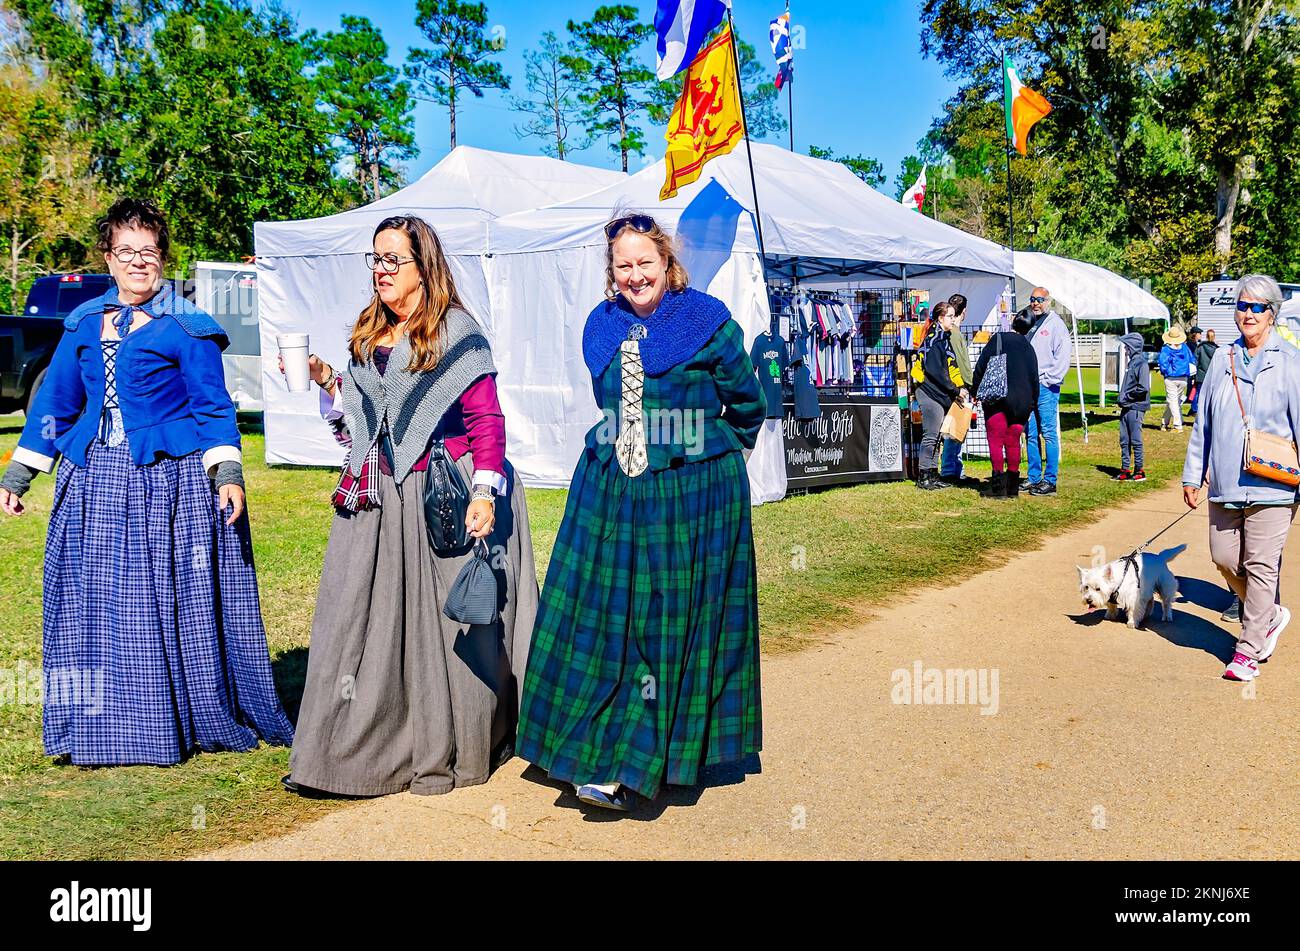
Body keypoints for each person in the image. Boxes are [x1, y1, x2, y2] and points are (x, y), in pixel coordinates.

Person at [0, 197, 293, 765]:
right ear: (107, 258)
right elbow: (56, 404)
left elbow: (212, 407)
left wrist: (228, 473)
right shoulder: (83, 323)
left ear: (163, 259)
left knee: (150, 600)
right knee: (90, 601)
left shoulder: (188, 326)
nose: (138, 262)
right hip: (90, 480)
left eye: (149, 252)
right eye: (126, 251)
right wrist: (19, 472)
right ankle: (93, 721)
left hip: (165, 481)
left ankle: (158, 720)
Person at [515, 212, 765, 812]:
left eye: (644, 263)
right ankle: (591, 749)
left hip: (691, 496)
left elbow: (748, 404)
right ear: (612, 272)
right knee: (600, 620)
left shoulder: (707, 322)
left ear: (666, 263)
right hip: (612, 493)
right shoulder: (600, 328)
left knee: (666, 624)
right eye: (622, 266)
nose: (634, 276)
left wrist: (704, 456)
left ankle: (651, 755)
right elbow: (611, 408)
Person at [282, 215, 538, 797]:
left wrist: (484, 491)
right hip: (376, 493)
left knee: (448, 628)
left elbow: (485, 419)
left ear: (425, 269)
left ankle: (453, 744)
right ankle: (353, 749)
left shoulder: (457, 333)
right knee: (356, 618)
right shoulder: (370, 333)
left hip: (444, 492)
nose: (381, 271)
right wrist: (326, 379)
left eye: (393, 260)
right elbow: (370, 418)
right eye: (375, 259)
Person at [1183, 275, 1300, 682]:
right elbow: (1205, 423)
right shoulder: (1222, 358)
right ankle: (1268, 614)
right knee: (1224, 557)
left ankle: (1248, 651)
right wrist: (1192, 475)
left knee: (1261, 563)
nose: (1248, 313)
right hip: (1228, 480)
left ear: (1272, 314)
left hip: (1276, 483)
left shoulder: (1290, 360)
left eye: (1257, 307)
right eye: (1243, 306)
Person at [971, 312, 1039, 498]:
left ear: (1012, 321)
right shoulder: (1029, 347)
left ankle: (998, 488)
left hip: (998, 397)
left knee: (995, 440)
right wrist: (1032, 403)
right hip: (1022, 403)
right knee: (1013, 442)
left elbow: (980, 367)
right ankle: (1013, 489)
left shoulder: (998, 339)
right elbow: (1034, 378)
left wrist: (975, 391)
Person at [1021, 287, 1070, 497]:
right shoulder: (1029, 322)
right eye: (1032, 299)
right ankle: (1034, 477)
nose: (1035, 303)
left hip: (1046, 388)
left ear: (1048, 301)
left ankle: (1051, 480)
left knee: (1048, 433)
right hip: (1029, 387)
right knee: (1031, 433)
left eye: (1040, 299)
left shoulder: (1056, 325)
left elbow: (1063, 355)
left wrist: (1050, 380)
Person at [914, 301, 968, 491]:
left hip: (938, 393)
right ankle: (924, 476)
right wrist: (954, 390)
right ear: (940, 318)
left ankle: (933, 474)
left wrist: (957, 386)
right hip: (929, 393)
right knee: (931, 436)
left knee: (937, 437)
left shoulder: (943, 337)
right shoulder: (934, 338)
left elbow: (949, 367)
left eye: (954, 316)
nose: (954, 319)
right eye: (950, 316)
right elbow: (935, 371)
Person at [938, 293, 975, 483]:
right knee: (954, 431)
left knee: (954, 430)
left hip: (952, 386)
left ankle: (954, 470)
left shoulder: (948, 333)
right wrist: (970, 386)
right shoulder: (955, 334)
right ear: (965, 311)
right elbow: (963, 364)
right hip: (958, 387)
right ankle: (950, 471)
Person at [1114, 333, 1151, 481]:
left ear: (1133, 347)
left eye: (1127, 347)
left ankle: (1139, 470)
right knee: (1124, 439)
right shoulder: (1132, 363)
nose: (1125, 350)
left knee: (1135, 440)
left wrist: (1126, 398)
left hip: (1135, 407)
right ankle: (1125, 469)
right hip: (1126, 407)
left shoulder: (1141, 364)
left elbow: (1143, 388)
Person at [1158, 325, 1193, 431]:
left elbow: (1163, 363)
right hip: (1183, 377)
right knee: (1174, 401)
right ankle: (1164, 422)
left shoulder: (1166, 349)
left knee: (1172, 400)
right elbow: (1192, 359)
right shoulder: (1185, 348)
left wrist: (1165, 372)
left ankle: (1178, 425)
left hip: (1171, 377)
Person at [1190, 326, 1217, 415]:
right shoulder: (1217, 350)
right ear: (1214, 337)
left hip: (1201, 374)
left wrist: (1194, 373)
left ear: (1206, 336)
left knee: (1198, 392)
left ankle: (1194, 409)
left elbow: (1195, 361)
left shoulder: (1200, 347)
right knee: (1210, 394)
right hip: (1212, 375)